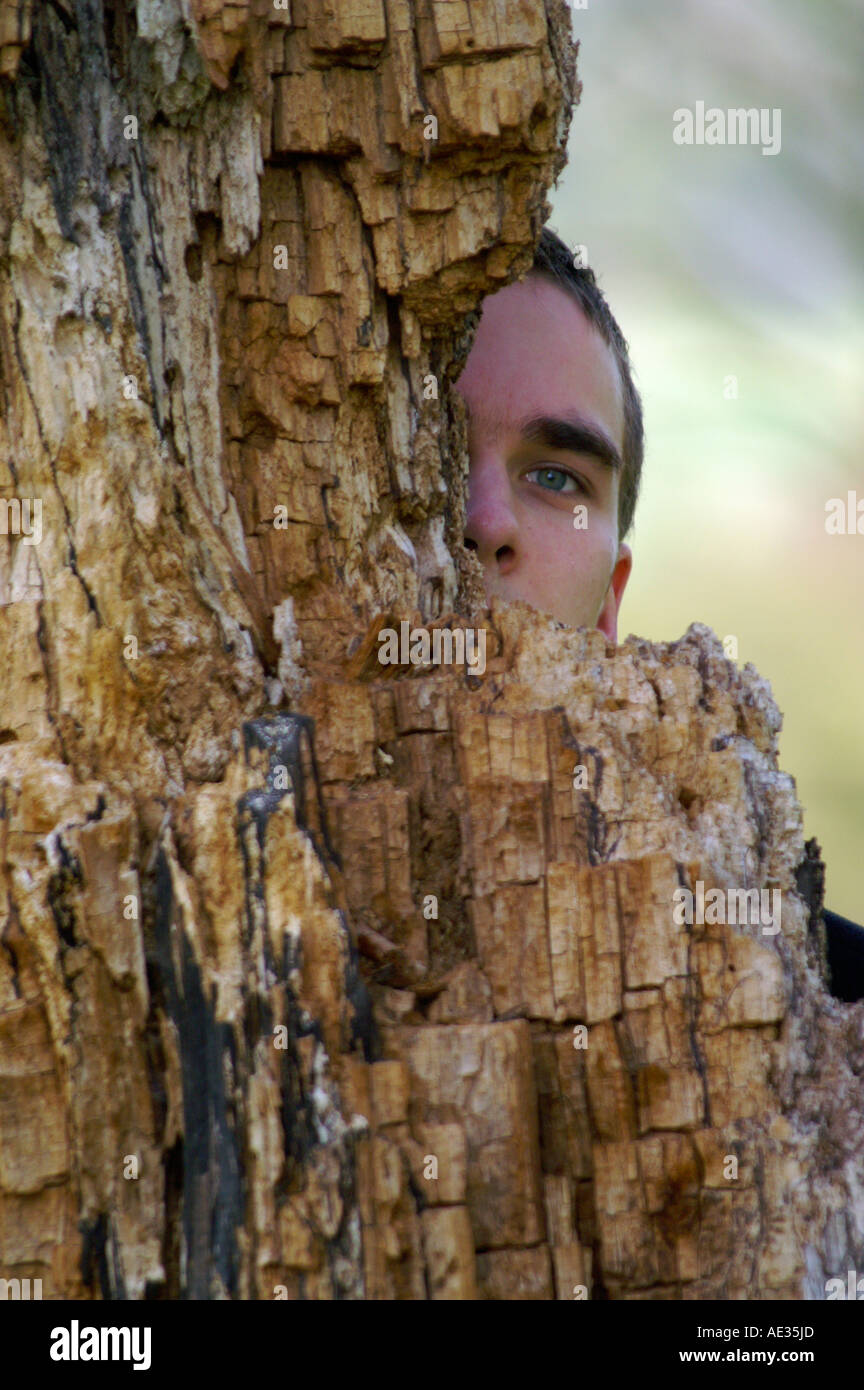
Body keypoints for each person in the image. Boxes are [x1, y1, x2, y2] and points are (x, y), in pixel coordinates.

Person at [455, 224, 864, 1002]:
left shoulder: (827, 1004)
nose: (486, 522)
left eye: (554, 476)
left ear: (611, 602)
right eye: (425, 436)